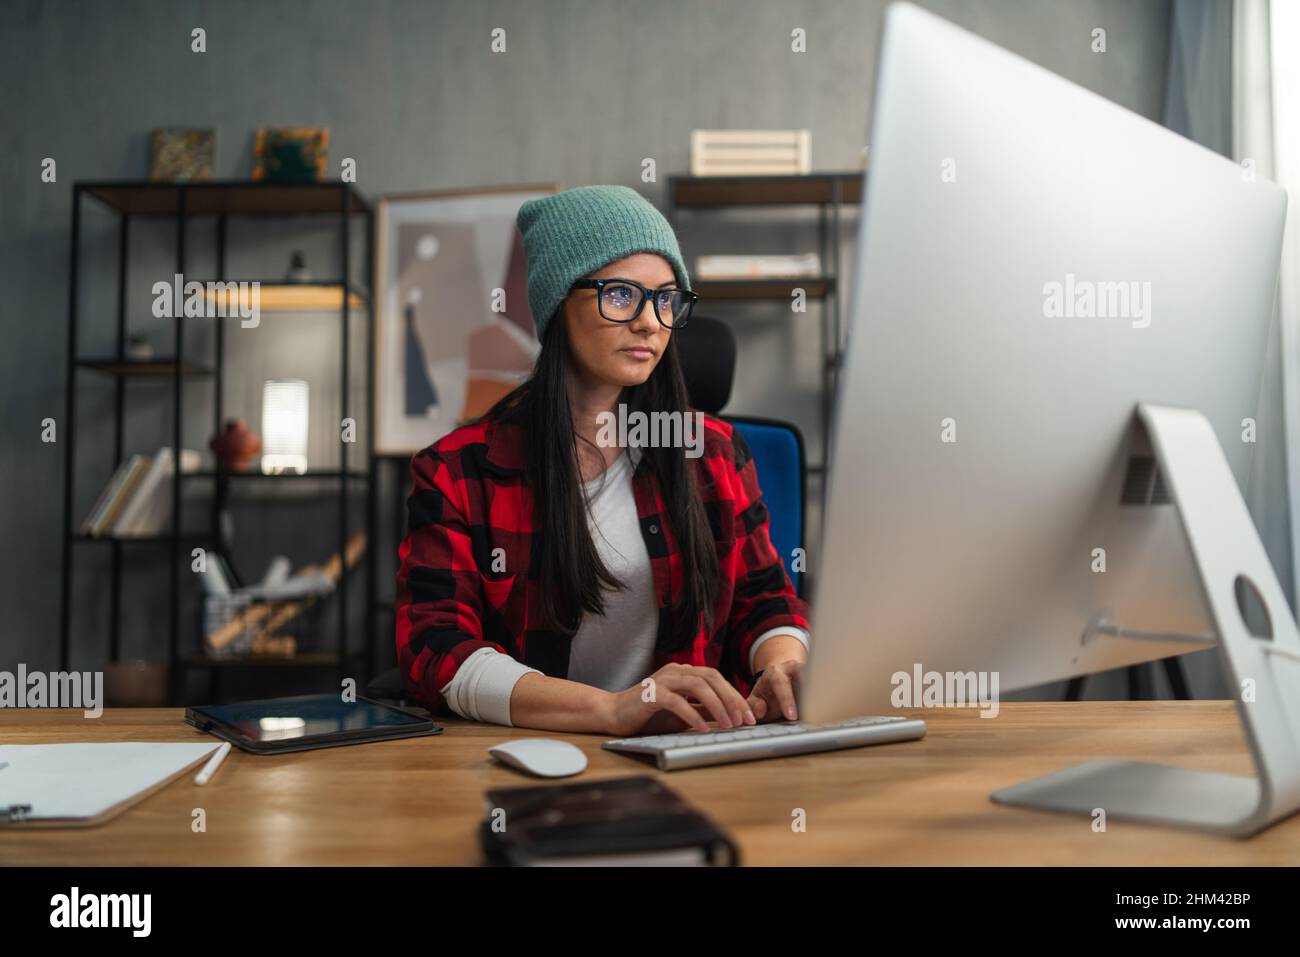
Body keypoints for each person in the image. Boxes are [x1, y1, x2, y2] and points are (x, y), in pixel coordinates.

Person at [395, 184, 810, 736]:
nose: (650, 322)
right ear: (558, 305)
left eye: (666, 299)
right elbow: (436, 650)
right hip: (535, 757)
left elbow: (765, 601)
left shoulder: (711, 453)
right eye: (621, 295)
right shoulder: (456, 471)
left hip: (696, 753)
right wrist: (612, 711)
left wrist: (784, 665)